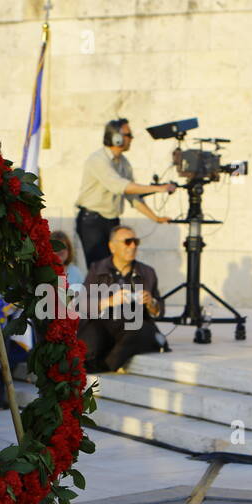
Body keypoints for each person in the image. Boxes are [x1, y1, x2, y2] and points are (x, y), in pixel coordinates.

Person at [74, 118, 175, 267]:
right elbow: (120, 186)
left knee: (116, 267)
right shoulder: (98, 160)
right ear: (116, 138)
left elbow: (132, 196)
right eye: (128, 135)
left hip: (112, 221)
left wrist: (155, 218)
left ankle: (116, 292)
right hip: (92, 221)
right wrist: (158, 188)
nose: (131, 139)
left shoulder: (123, 163)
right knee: (99, 269)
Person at [78, 225, 167, 373]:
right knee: (91, 335)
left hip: (134, 324)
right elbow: (82, 304)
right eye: (127, 241)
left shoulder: (147, 272)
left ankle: (106, 366)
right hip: (106, 322)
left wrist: (151, 303)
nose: (132, 246)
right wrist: (109, 302)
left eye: (135, 242)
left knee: (142, 330)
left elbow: (159, 309)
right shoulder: (97, 269)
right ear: (112, 247)